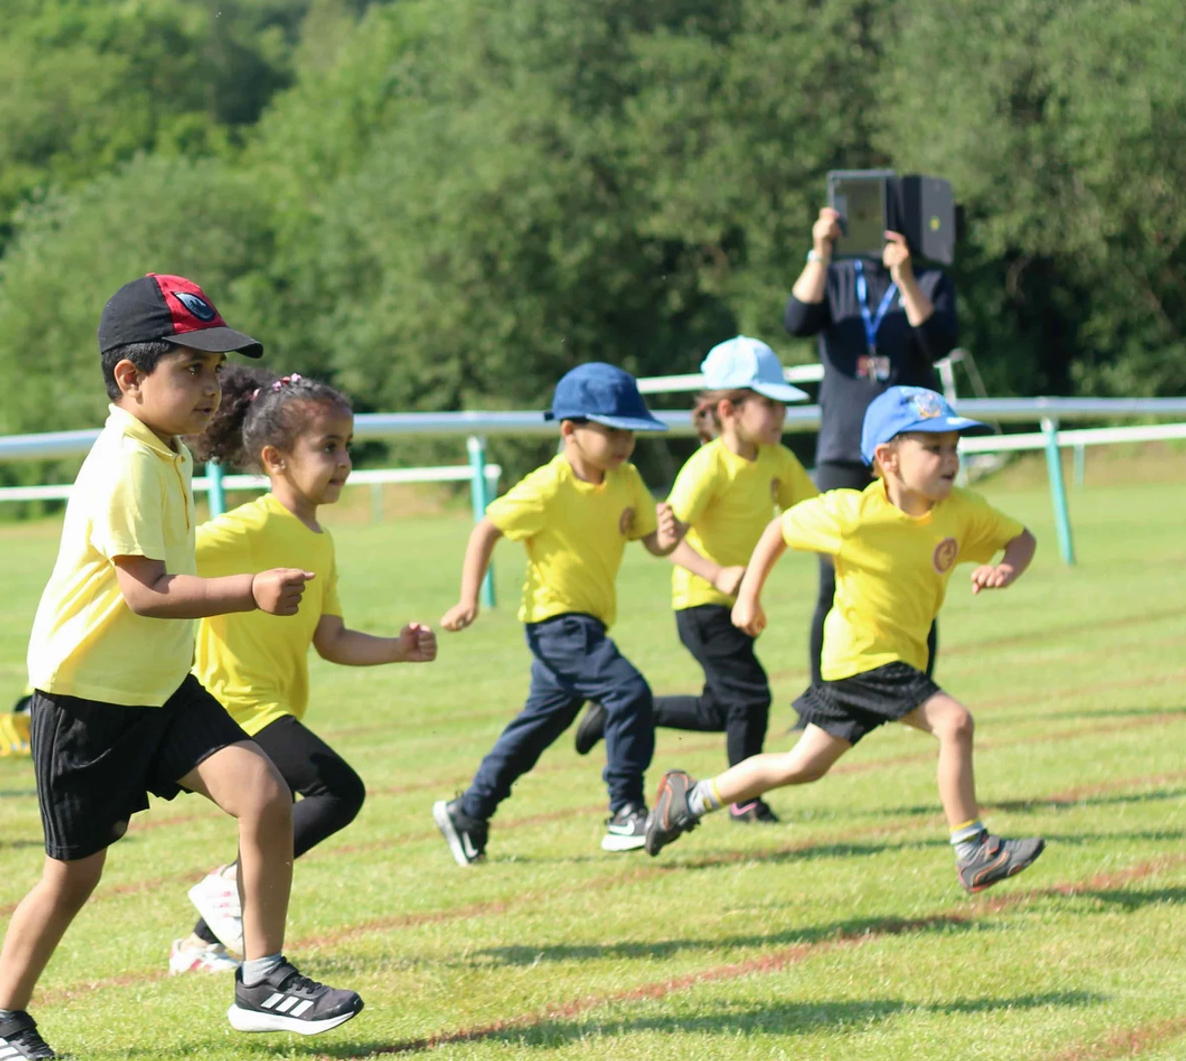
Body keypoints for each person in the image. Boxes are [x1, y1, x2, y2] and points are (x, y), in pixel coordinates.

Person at [0, 274, 365, 1061]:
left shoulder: (163, 448)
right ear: (129, 379)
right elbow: (146, 593)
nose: (211, 389)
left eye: (215, 372)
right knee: (74, 875)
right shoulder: (127, 463)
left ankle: (261, 978)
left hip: (160, 687)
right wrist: (251, 590)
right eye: (192, 371)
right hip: (89, 702)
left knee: (267, 794)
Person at [647, 387, 1045, 895]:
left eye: (954, 449)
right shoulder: (850, 514)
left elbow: (1021, 537)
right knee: (955, 722)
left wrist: (1006, 567)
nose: (950, 460)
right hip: (863, 660)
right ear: (887, 458)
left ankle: (689, 797)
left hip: (883, 663)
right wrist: (747, 596)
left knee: (801, 766)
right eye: (934, 448)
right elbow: (781, 529)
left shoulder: (961, 510)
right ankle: (972, 850)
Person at [172, 367, 435, 975]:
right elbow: (164, 567)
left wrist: (396, 648)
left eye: (347, 448)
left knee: (285, 809)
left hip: (272, 702)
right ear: (275, 459)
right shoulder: (247, 527)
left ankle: (198, 945)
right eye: (328, 448)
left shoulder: (318, 540)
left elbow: (332, 639)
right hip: (233, 701)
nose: (343, 462)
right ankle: (225, 892)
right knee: (335, 790)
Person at [432, 363, 683, 865]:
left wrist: (665, 537)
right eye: (611, 430)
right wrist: (469, 598)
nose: (623, 443)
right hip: (556, 623)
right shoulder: (545, 487)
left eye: (629, 432)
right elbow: (487, 529)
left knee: (537, 730)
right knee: (627, 691)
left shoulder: (626, 479)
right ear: (569, 430)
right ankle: (624, 813)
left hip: (587, 622)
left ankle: (469, 811)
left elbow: (648, 541)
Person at [579, 337, 814, 823]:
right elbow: (670, 543)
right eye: (768, 404)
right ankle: (744, 801)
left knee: (723, 708)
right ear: (729, 409)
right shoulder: (707, 466)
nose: (780, 416)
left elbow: (813, 515)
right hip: (702, 605)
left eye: (781, 405)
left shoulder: (780, 461)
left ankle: (617, 713)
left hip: (738, 603)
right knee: (750, 697)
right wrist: (716, 572)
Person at [783, 206, 958, 685]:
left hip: (911, 453)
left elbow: (940, 343)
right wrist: (820, 251)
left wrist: (905, 277)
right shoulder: (836, 275)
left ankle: (917, 689)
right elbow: (796, 320)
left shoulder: (928, 278)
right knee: (831, 582)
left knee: (917, 574)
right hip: (843, 446)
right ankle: (823, 695)